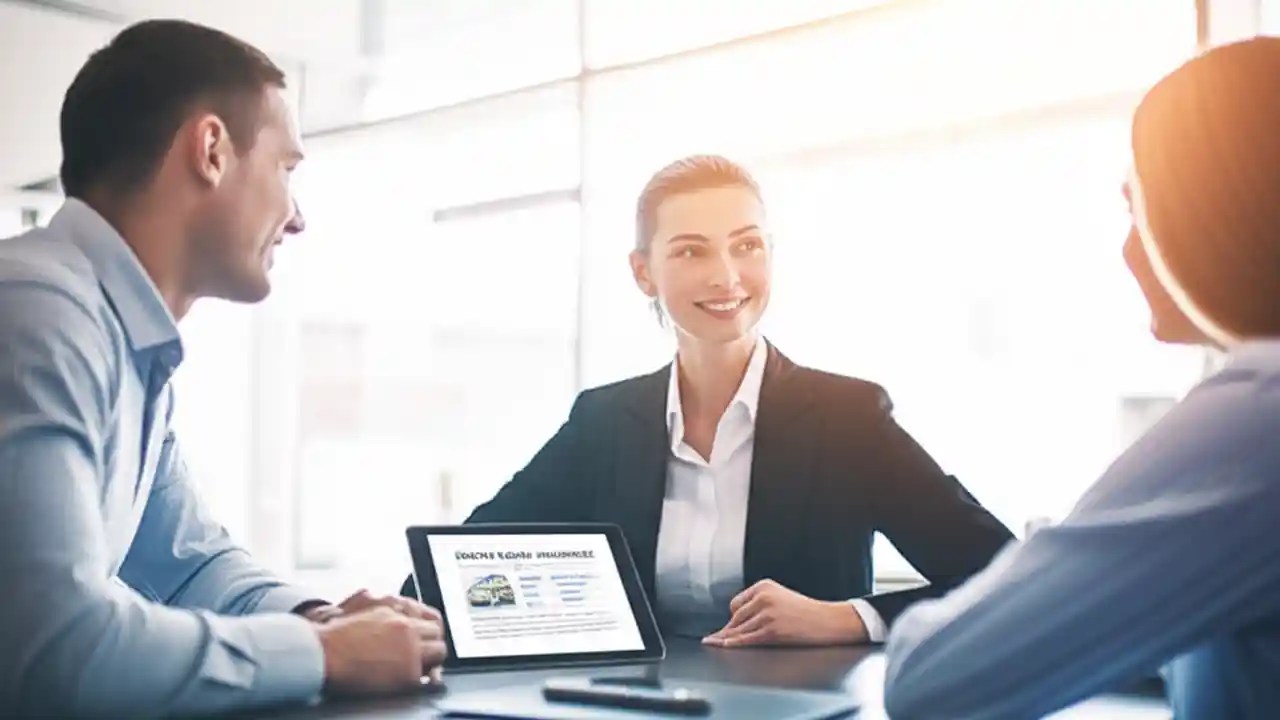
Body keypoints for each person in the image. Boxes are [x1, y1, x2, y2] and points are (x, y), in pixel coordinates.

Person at [0, 20, 446, 717]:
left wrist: (318, 620)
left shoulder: (123, 340)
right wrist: (324, 656)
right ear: (211, 150)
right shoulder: (38, 313)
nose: (296, 217)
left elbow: (188, 564)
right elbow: (56, 651)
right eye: (286, 169)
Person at [402, 155, 1013, 646]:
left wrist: (846, 618)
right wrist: (382, 621)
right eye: (692, 251)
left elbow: (1003, 574)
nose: (726, 276)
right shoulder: (605, 421)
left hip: (800, 708)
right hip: (643, 705)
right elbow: (466, 561)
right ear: (644, 272)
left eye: (746, 246)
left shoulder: (846, 417)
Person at [883, 37, 1280, 719]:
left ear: (1211, 206)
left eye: (1137, 207)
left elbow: (932, 683)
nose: (1129, 246)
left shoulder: (1260, 411)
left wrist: (1058, 558)